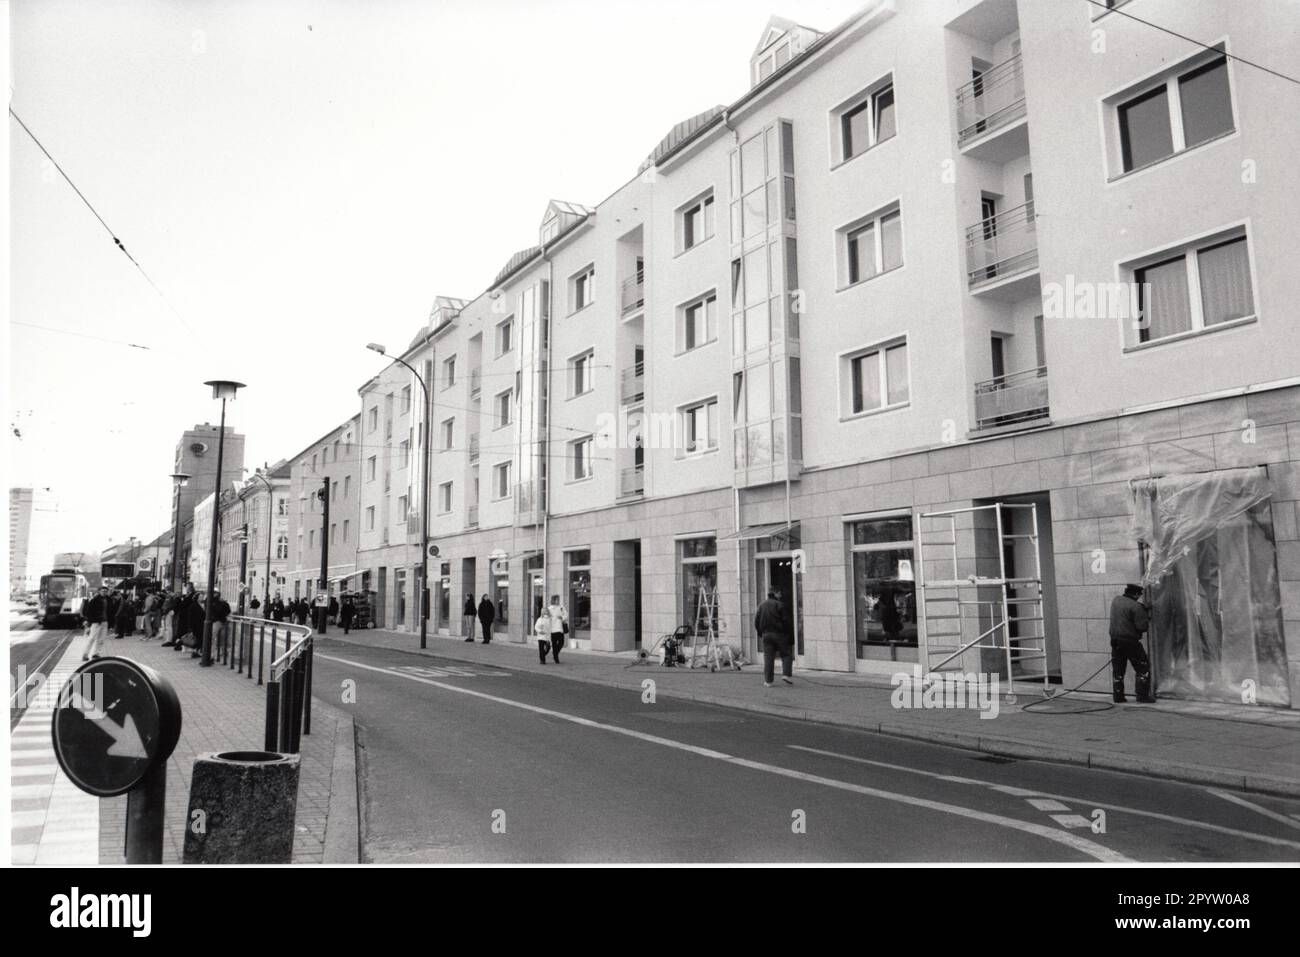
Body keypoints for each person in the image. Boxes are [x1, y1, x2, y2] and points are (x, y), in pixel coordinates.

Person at [1110, 583, 1154, 704]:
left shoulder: (1116, 600)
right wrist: (1146, 615)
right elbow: (1142, 627)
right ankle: (1142, 696)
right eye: (1139, 595)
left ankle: (1118, 696)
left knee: (1118, 670)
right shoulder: (1136, 607)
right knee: (1142, 668)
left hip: (1115, 641)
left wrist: (1140, 607)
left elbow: (1127, 607)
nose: (1139, 597)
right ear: (1135, 594)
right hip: (1130, 641)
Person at [755, 589, 793, 688]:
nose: (780, 595)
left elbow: (756, 621)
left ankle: (768, 681)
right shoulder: (780, 605)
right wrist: (788, 634)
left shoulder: (761, 605)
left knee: (768, 658)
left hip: (766, 635)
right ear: (775, 593)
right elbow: (787, 621)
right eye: (779, 593)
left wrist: (761, 633)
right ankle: (786, 674)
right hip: (780, 634)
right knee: (786, 654)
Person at [82, 585, 111, 661]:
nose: (104, 593)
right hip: (96, 622)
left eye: (105, 591)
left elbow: (111, 611)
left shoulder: (109, 599)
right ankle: (85, 654)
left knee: (101, 639)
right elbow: (89, 612)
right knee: (92, 638)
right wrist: (90, 621)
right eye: (102, 591)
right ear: (99, 592)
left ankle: (96, 654)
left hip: (105, 622)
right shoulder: (94, 600)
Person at [544, 594, 568, 664]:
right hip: (552, 629)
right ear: (553, 600)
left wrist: (562, 618)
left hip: (560, 628)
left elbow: (566, 615)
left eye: (558, 599)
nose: (558, 601)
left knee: (561, 643)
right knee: (554, 644)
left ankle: (555, 654)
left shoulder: (561, 608)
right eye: (557, 599)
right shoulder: (549, 608)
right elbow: (545, 617)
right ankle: (556, 657)